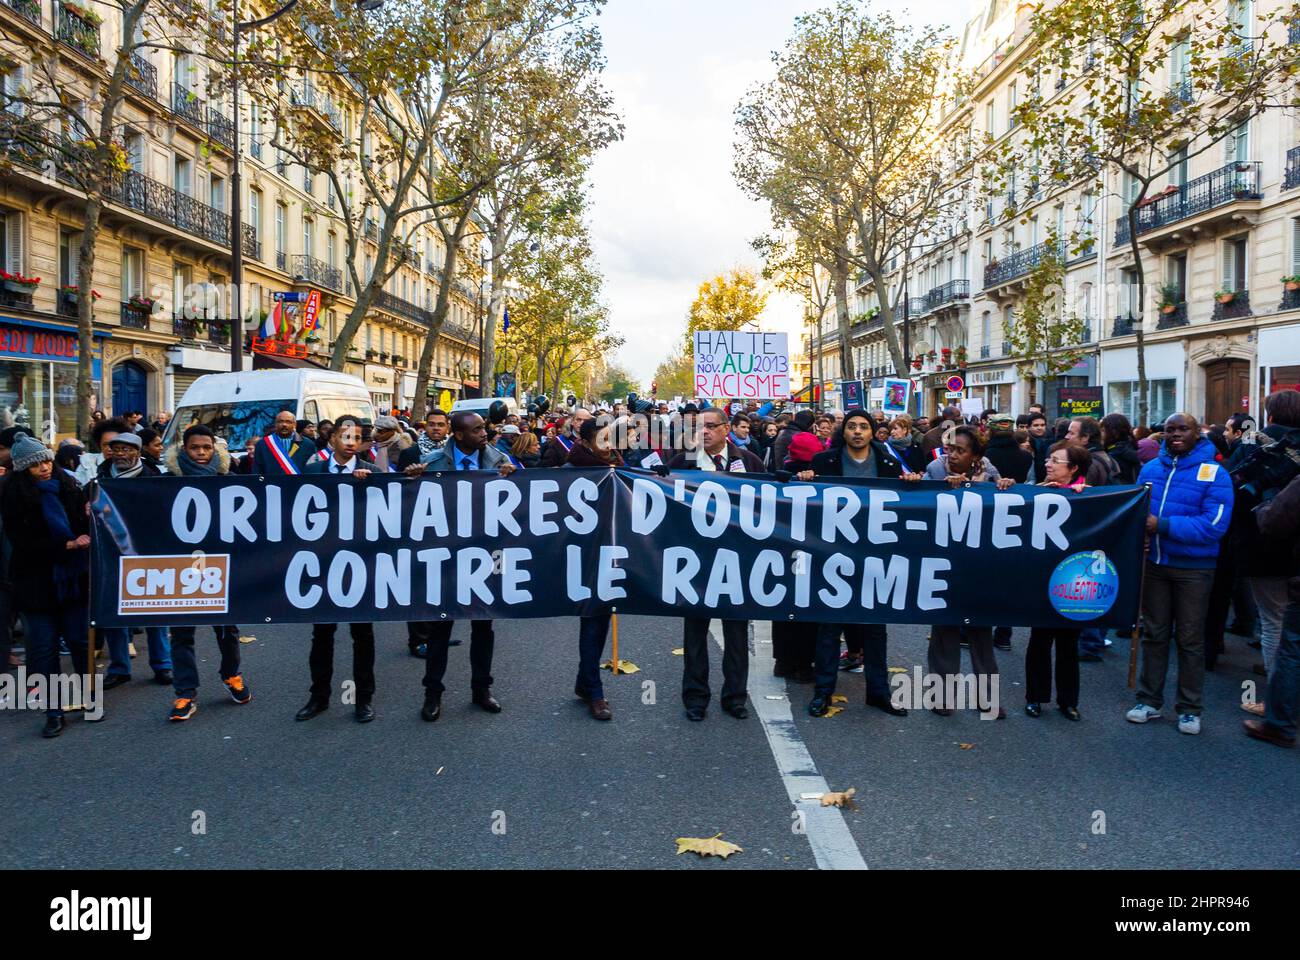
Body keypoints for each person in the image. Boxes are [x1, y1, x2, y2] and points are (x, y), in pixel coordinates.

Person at [806, 410, 921, 717]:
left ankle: (879, 693)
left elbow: (902, 505)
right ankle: (823, 692)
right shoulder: (824, 462)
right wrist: (804, 479)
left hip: (875, 558)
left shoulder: (888, 464)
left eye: (864, 427)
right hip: (833, 556)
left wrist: (910, 484)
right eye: (852, 426)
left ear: (872, 432)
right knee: (829, 627)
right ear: (844, 432)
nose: (858, 431)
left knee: (874, 628)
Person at [1126, 413, 1234, 736]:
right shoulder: (1150, 469)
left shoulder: (1215, 474)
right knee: (1155, 634)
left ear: (1196, 435)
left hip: (1195, 570)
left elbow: (1214, 526)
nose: (1175, 434)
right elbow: (1135, 511)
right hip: (1155, 566)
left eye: (1182, 429)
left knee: (1189, 639)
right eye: (1170, 429)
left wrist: (1163, 526)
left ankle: (1189, 708)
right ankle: (1149, 700)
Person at [415, 412, 516, 723]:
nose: (483, 434)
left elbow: (524, 494)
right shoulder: (432, 462)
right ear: (457, 435)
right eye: (476, 430)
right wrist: (410, 478)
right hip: (445, 557)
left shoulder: (499, 460)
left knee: (483, 626)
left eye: (483, 428)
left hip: (485, 556)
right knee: (440, 628)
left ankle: (481, 690)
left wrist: (515, 476)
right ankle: (433, 693)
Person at [667, 407, 762, 721]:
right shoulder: (681, 463)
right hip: (696, 561)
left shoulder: (749, 461)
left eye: (710, 426)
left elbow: (769, 503)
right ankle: (695, 699)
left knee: (736, 632)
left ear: (726, 429)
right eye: (698, 427)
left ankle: (735, 697)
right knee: (695, 632)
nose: (703, 432)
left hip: (736, 559)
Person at [1, 433, 91, 738]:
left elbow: (83, 523)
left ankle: (89, 697)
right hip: (35, 583)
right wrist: (65, 545)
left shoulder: (69, 487)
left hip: (73, 580)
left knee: (79, 642)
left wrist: (85, 530)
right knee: (43, 649)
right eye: (35, 464)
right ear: (22, 469)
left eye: (45, 460)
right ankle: (53, 711)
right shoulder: (13, 496)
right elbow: (22, 543)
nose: (43, 467)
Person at [162, 425, 252, 722]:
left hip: (221, 566)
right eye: (194, 448)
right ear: (183, 449)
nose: (201, 453)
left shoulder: (229, 480)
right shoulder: (164, 482)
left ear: (215, 449)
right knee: (182, 633)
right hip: (181, 569)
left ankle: (231, 675)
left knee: (227, 629)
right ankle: (185, 692)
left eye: (206, 448)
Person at [924, 425, 1012, 717]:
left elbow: (1007, 506)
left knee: (980, 631)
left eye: (960, 450)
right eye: (950, 448)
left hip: (979, 564)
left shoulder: (990, 473)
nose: (952, 455)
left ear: (976, 455)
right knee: (944, 630)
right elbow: (919, 504)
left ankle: (986, 698)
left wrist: (1006, 486)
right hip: (945, 561)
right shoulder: (935, 470)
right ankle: (941, 697)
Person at [296, 417, 377, 724]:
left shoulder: (374, 472)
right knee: (322, 635)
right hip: (323, 564)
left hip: (361, 565)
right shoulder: (314, 471)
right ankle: (319, 697)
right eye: (345, 435)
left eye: (356, 436)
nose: (351, 441)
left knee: (363, 635)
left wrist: (366, 485)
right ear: (332, 440)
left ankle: (363, 699)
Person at [93, 431, 172, 688]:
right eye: (116, 449)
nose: (120, 454)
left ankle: (163, 665)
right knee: (115, 612)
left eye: (126, 449)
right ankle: (119, 667)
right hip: (113, 554)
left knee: (154, 612)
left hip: (148, 554)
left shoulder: (153, 479)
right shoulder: (100, 479)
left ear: (137, 452)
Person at [1024, 442, 1091, 722]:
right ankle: (1035, 697)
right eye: (1048, 460)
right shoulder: (1037, 491)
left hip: (1072, 578)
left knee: (1068, 643)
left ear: (1074, 469)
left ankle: (1068, 701)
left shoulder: (1090, 496)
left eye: (1056, 461)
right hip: (1041, 574)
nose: (1048, 465)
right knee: (1040, 639)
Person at [566, 418, 623, 721]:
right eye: (603, 439)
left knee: (600, 621)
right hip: (582, 559)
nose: (610, 445)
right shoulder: (570, 471)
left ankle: (584, 682)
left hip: (611, 556)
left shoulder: (618, 468)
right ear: (586, 442)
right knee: (592, 620)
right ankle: (596, 693)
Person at [1242, 467, 1300, 748]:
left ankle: (1279, 721)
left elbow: (1275, 522)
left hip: (1280, 566)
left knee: (1288, 644)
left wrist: (1264, 507)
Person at [253, 410, 317, 475]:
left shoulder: (308, 444)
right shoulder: (262, 444)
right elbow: (257, 471)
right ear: (275, 424)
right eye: (280, 421)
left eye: (288, 422)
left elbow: (311, 470)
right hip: (271, 484)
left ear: (294, 425)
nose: (284, 424)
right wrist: (262, 482)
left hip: (299, 484)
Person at [983, 412, 1032, 482]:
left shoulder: (984, 457)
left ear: (991, 432)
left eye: (987, 429)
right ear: (1012, 432)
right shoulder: (1027, 456)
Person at [1065, 417, 1115, 486]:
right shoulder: (1107, 457)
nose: (1066, 436)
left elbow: (1084, 494)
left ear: (1085, 437)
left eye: (1071, 433)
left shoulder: (1088, 463)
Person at [1101, 413, 1141, 485]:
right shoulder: (1128, 448)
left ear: (1115, 432)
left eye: (1103, 430)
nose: (1100, 434)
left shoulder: (1114, 455)